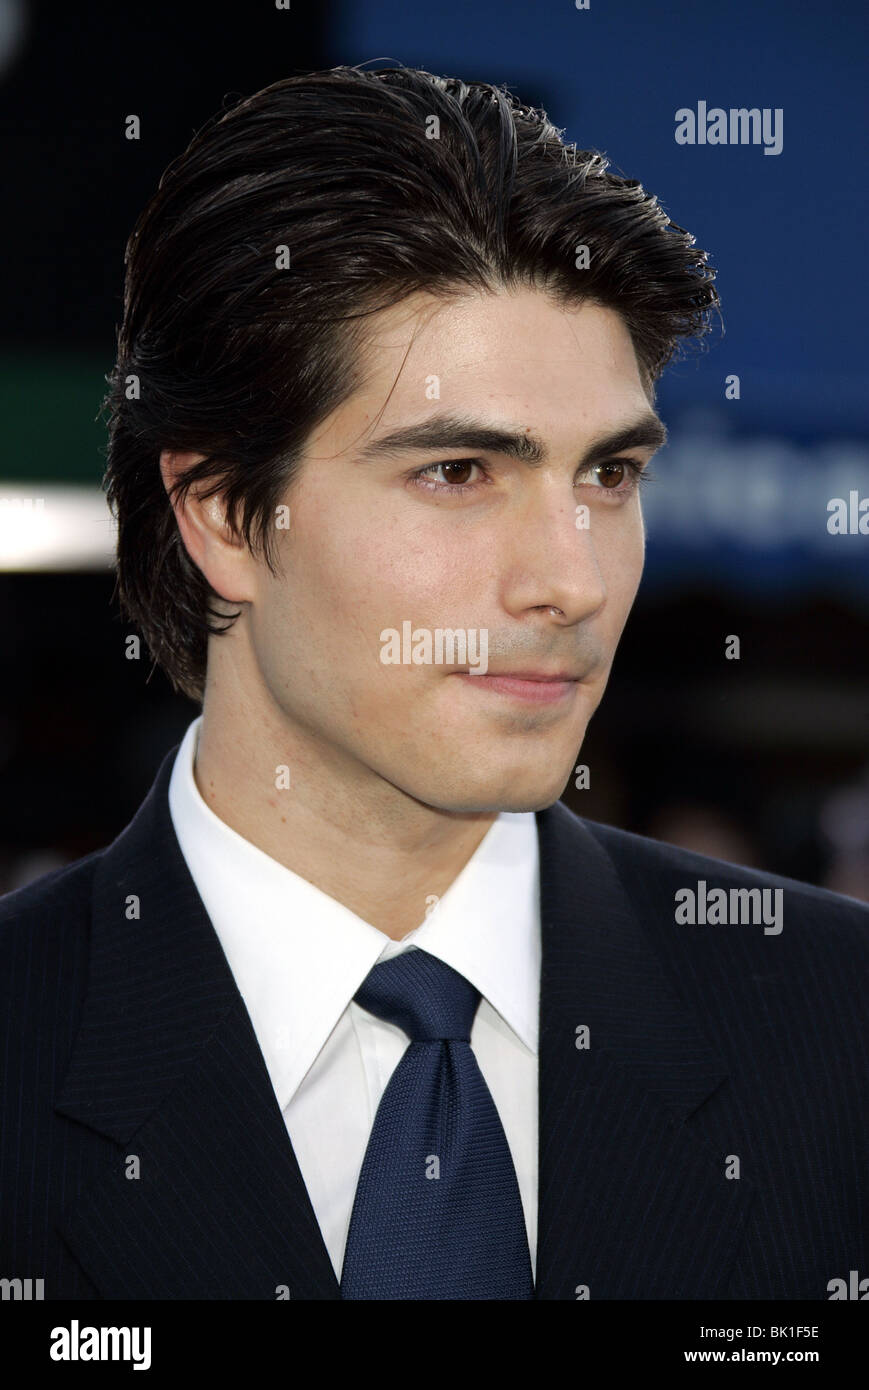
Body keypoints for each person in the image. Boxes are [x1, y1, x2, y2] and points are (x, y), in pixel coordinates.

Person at [1, 64, 866, 1302]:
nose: (569, 579)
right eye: (459, 472)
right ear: (224, 519)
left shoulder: (838, 1034)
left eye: (608, 476)